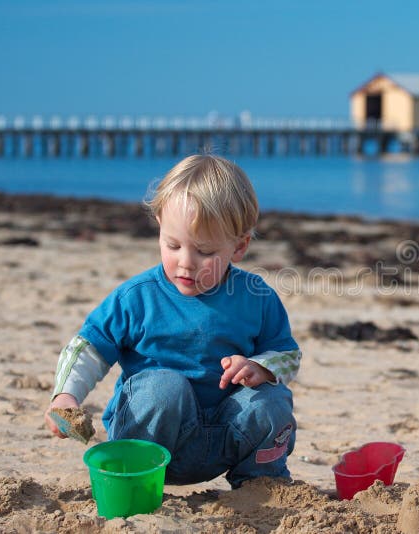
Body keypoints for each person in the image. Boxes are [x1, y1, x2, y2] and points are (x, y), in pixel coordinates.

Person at [44, 155, 301, 488]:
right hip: (149, 441)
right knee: (164, 388)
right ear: (159, 227)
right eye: (172, 245)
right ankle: (131, 480)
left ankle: (259, 486)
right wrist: (65, 396)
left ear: (239, 247)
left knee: (271, 401)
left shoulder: (256, 297)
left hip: (225, 436)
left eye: (205, 252)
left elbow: (288, 354)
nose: (186, 262)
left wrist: (260, 366)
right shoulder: (138, 297)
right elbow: (88, 347)